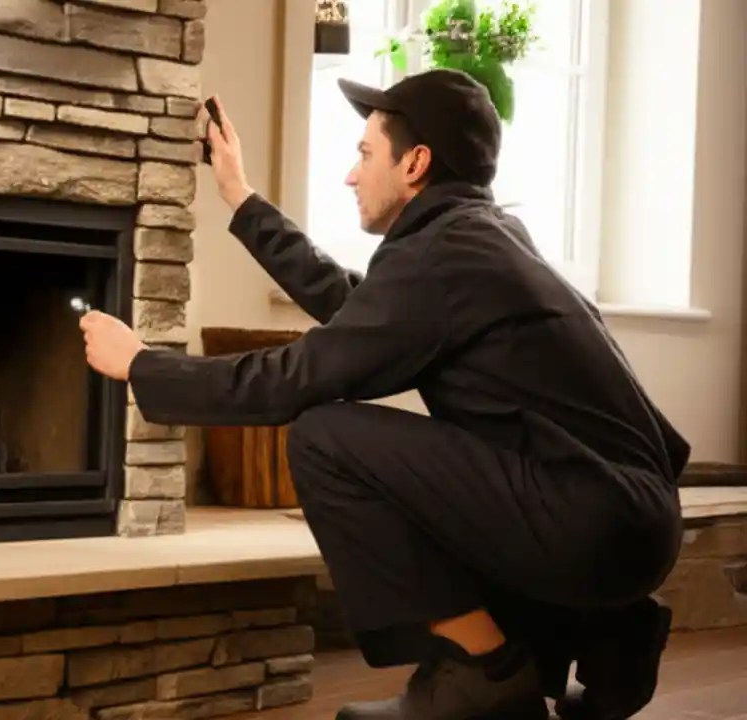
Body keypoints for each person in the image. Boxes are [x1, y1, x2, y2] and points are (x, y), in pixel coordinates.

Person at [80, 68, 689, 720]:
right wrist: (242, 199)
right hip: (632, 523)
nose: (351, 174)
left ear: (416, 163)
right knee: (445, 463)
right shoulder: (480, 238)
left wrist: (144, 367)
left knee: (325, 437)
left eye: (366, 154)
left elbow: (298, 378)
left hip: (593, 527)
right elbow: (357, 312)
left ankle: (485, 673)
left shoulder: (441, 256)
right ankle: (603, 637)